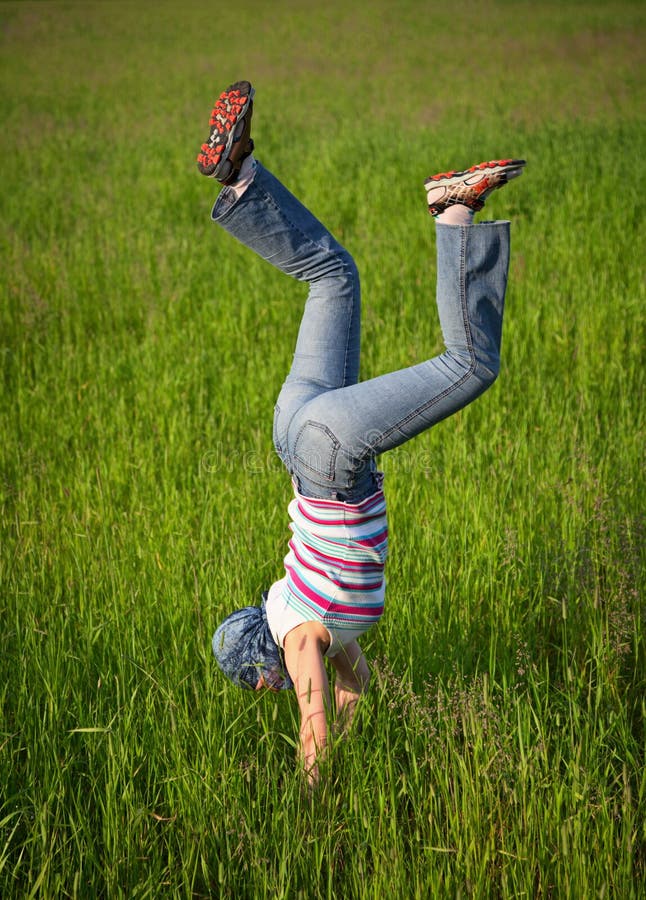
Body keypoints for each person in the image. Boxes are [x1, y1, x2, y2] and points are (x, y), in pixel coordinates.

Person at [197, 80, 525, 784]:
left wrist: (312, 801)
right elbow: (353, 691)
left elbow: (315, 722)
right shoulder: (308, 621)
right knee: (332, 275)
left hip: (329, 460)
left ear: (263, 675)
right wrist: (343, 719)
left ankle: (456, 209)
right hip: (295, 428)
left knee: (470, 364)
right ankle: (242, 177)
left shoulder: (300, 636)